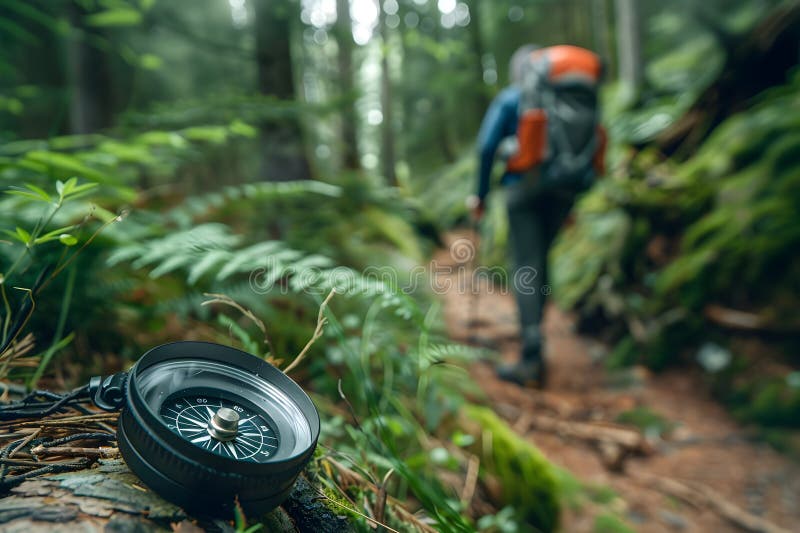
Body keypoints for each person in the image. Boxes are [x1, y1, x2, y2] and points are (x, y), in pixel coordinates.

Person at [468, 44, 606, 387]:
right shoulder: (573, 99)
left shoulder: (513, 98)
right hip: (565, 192)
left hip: (524, 189)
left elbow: (486, 148)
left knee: (527, 265)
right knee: (541, 261)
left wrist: (480, 195)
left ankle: (531, 356)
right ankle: (536, 337)